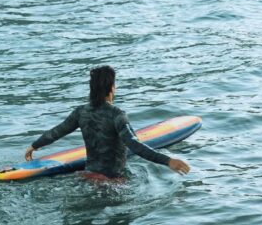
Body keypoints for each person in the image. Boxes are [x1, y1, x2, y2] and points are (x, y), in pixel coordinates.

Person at [25, 65, 191, 180]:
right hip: (112, 181)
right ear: (111, 88)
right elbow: (135, 146)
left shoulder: (81, 112)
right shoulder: (117, 115)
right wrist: (168, 161)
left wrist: (34, 145)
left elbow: (58, 131)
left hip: (87, 175)